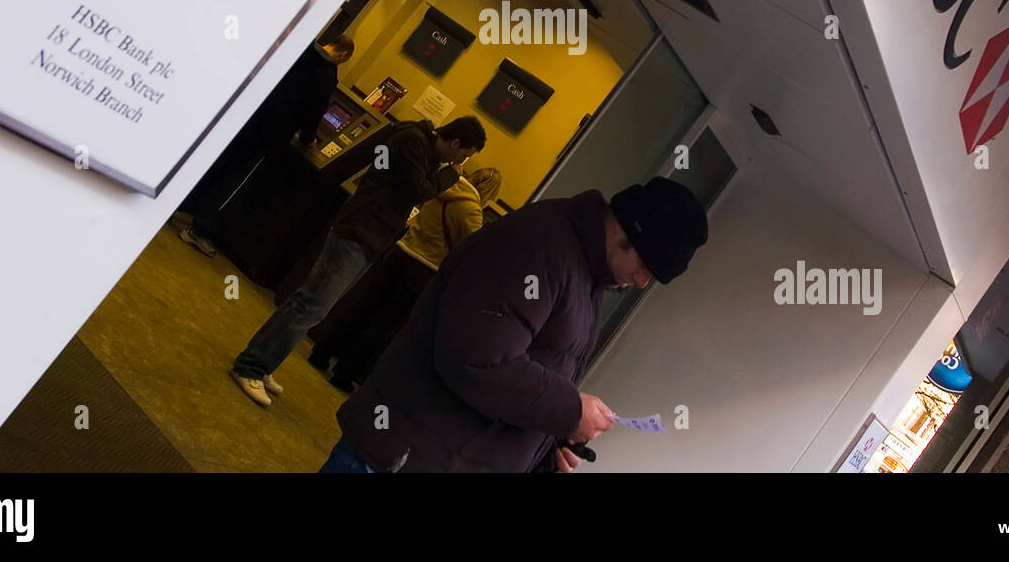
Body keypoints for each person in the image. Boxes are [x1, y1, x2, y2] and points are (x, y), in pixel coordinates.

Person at [320, 176, 708, 472]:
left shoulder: (588, 276)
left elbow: (528, 368)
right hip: (397, 456)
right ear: (626, 231)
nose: (641, 282)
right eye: (646, 268)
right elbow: (477, 359)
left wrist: (545, 445)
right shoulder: (537, 248)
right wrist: (571, 411)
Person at [229, 115, 487, 406]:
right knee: (310, 306)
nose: (461, 162)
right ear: (455, 143)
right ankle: (251, 366)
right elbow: (419, 191)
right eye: (463, 155)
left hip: (371, 235)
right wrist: (451, 174)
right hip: (359, 231)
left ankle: (265, 363)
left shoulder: (423, 148)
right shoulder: (413, 142)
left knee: (310, 305)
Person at [310, 166, 503, 391]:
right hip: (423, 269)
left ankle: (322, 353)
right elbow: (469, 250)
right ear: (489, 192)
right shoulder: (471, 210)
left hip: (401, 251)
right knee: (382, 323)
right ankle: (344, 374)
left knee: (363, 308)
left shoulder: (444, 187)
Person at [177, 34, 353, 256]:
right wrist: (309, 141)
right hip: (271, 134)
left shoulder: (298, 51)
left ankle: (183, 205)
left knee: (219, 164)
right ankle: (200, 229)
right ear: (343, 54)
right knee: (236, 181)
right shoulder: (326, 75)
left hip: (248, 118)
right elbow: (314, 114)